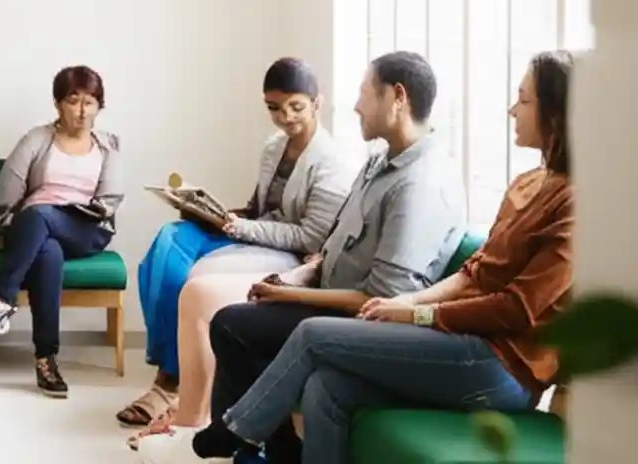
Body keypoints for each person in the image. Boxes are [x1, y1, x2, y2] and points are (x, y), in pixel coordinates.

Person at [190, 51, 576, 464]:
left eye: (524, 99)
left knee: (311, 334)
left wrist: (420, 314)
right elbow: (475, 271)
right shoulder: (527, 183)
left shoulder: (574, 201)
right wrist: (410, 303)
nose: (512, 109)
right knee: (325, 388)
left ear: (556, 113)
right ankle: (248, 437)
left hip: (500, 366)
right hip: (458, 339)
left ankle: (235, 431)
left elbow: (518, 308)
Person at [137, 50, 467, 463]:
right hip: (329, 292)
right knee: (230, 317)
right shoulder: (380, 161)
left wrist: (290, 295)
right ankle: (255, 446)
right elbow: (330, 248)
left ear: (397, 97)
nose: (356, 105)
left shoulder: (420, 184)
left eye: (365, 92)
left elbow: (382, 300)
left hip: (365, 321)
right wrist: (296, 279)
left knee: (234, 327)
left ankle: (231, 441)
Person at [118, 59, 355, 431]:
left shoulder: (331, 162)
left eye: (296, 106)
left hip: (290, 251)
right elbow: (259, 207)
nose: (285, 117)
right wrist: (209, 212)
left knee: (191, 274)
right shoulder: (274, 147)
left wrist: (240, 227)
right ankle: (170, 369)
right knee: (168, 242)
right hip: (254, 231)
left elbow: (311, 236)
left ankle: (170, 380)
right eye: (274, 108)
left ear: (317, 103)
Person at [0, 65, 124, 398]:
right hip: (35, 228)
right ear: (58, 104)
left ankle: (1, 300)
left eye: (89, 103)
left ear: (99, 107)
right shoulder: (37, 139)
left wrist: (78, 211)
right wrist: (15, 222)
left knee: (41, 214)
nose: (81, 111)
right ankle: (46, 360)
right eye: (73, 101)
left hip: (85, 229)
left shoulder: (107, 146)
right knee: (48, 251)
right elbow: (9, 189)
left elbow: (109, 200)